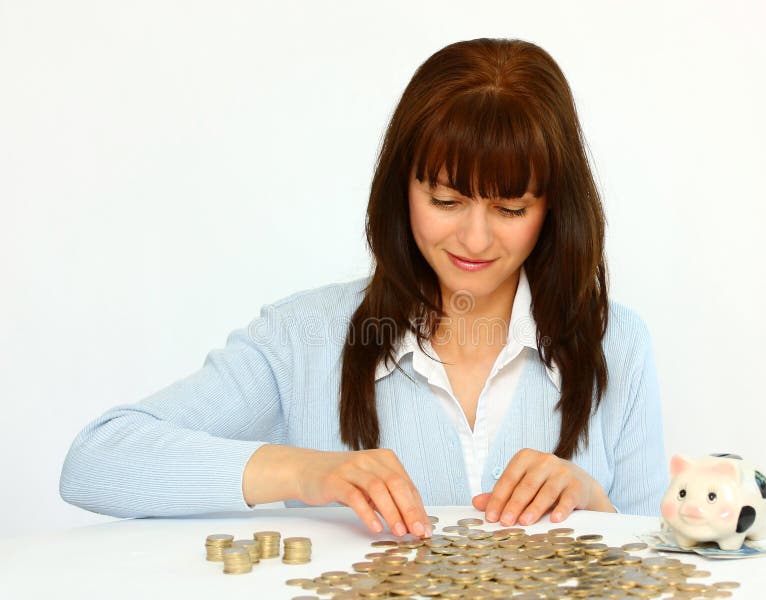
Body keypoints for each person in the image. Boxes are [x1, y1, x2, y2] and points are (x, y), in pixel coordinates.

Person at [59, 37, 669, 540]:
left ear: (554, 209)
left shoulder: (619, 342)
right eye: (446, 200)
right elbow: (95, 461)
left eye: (511, 208)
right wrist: (306, 473)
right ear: (400, 190)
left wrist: (598, 506)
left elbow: (663, 572)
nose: (475, 239)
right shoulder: (303, 338)